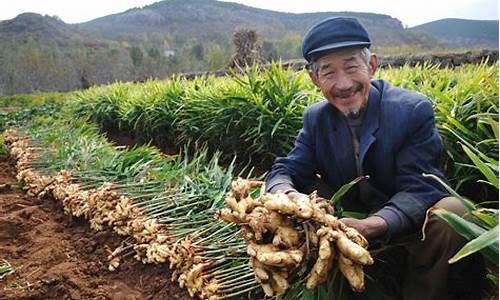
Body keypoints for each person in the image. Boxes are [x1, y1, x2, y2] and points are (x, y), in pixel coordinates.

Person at [265, 16, 472, 300]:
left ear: (372, 65)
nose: (343, 84)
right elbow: (287, 168)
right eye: (328, 72)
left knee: (452, 211)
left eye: (351, 67)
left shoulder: (411, 110)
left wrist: (374, 224)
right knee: (302, 190)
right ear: (314, 79)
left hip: (408, 225)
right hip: (348, 225)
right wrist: (285, 194)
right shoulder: (316, 118)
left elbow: (422, 186)